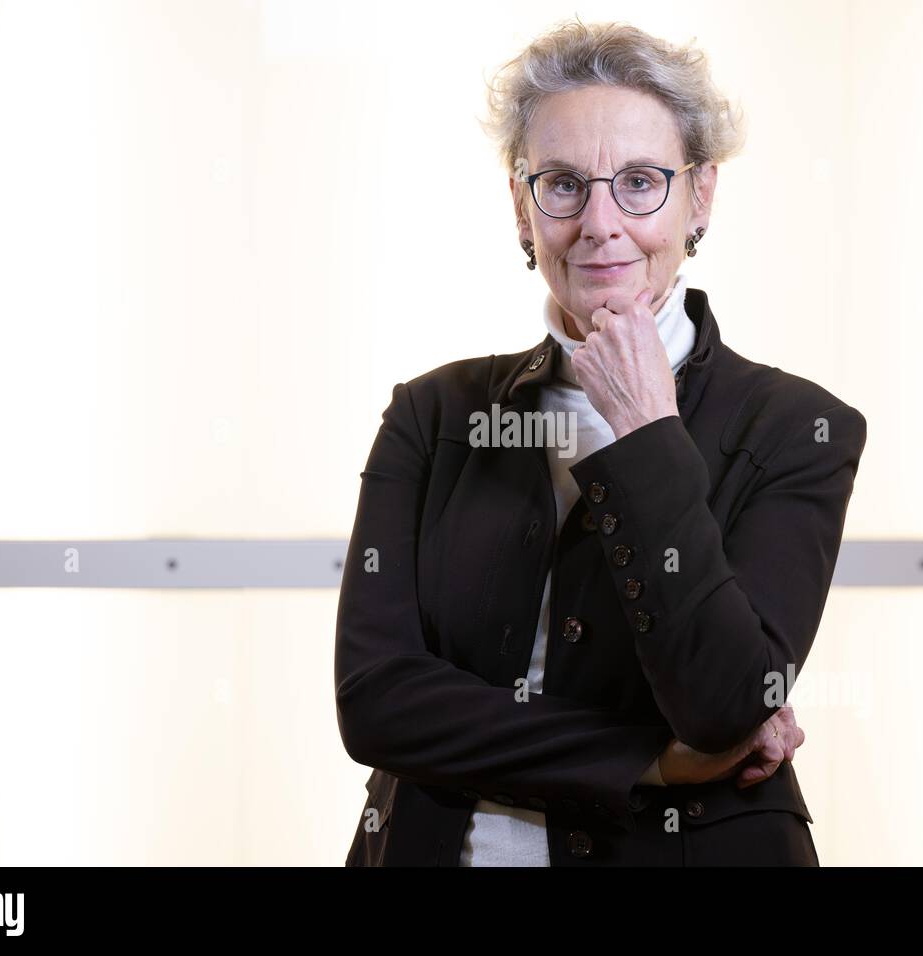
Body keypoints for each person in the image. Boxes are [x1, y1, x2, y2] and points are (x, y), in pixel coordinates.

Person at [335, 18, 866, 866]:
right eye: (564, 184)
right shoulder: (431, 416)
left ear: (700, 197)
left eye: (642, 182)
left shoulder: (797, 428)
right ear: (522, 206)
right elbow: (377, 702)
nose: (600, 222)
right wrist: (648, 760)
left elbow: (726, 704)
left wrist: (649, 430)